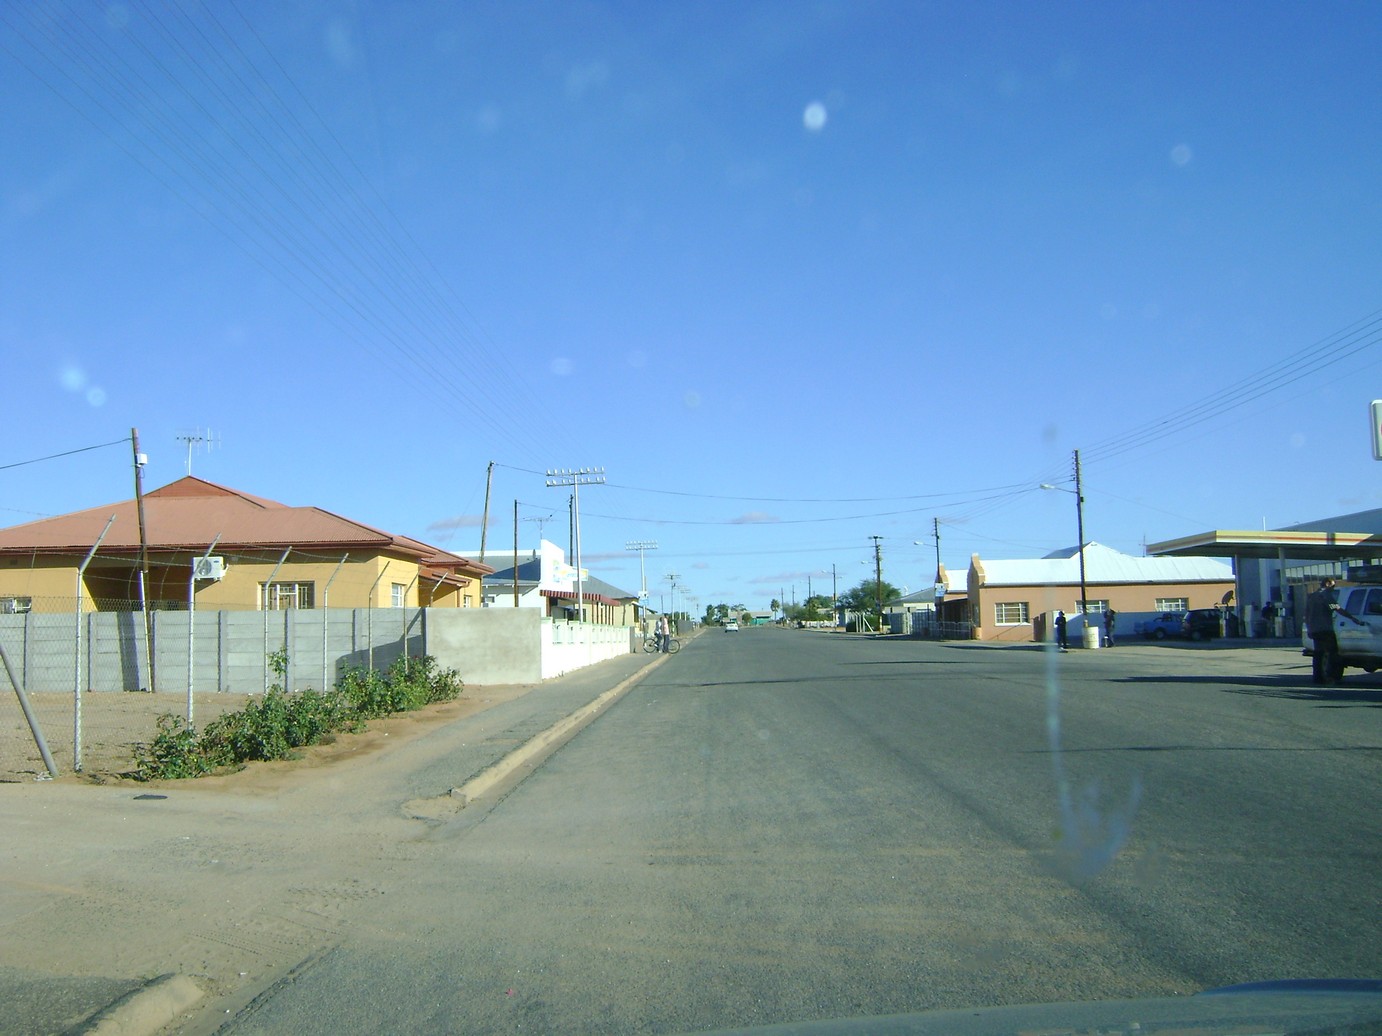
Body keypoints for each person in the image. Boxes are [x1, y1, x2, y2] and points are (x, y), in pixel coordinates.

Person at [1305, 577, 1344, 684]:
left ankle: (1317, 678)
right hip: (1326, 630)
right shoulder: (1326, 596)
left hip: (1315, 630)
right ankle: (1331, 676)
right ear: (1327, 584)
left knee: (1318, 654)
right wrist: (1353, 618)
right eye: (1333, 585)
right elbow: (1337, 609)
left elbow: (1307, 614)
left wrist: (1309, 629)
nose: (1333, 588)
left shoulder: (1312, 597)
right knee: (1333, 653)